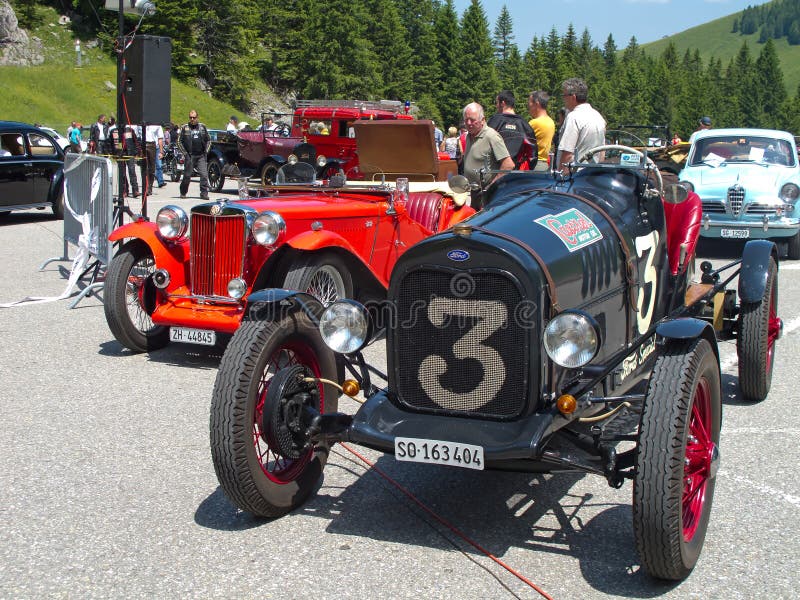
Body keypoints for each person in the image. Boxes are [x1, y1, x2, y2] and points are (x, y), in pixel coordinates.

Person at [462, 102, 514, 209]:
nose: (468, 123)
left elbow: (508, 165)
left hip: (487, 195)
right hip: (474, 192)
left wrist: (491, 187)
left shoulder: (491, 136)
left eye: (472, 119)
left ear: (483, 120)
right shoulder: (469, 136)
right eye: (466, 120)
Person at [557, 77, 606, 171]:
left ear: (573, 97)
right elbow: (602, 152)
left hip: (574, 177)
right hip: (591, 175)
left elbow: (567, 153)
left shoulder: (573, 117)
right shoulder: (598, 116)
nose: (563, 98)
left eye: (564, 95)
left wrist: (561, 177)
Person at [487, 90, 537, 168]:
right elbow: (533, 155)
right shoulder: (524, 124)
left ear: (502, 103)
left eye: (496, 103)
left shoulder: (494, 121)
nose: (496, 106)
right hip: (516, 174)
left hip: (495, 172)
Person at [178, 110, 211, 200]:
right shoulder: (185, 127)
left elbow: (209, 140)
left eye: (194, 117)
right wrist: (185, 153)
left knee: (204, 175)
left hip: (201, 155)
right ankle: (183, 192)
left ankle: (204, 193)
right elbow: (179, 141)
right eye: (190, 117)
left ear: (197, 117)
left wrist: (206, 151)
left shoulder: (202, 127)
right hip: (190, 155)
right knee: (187, 176)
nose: (192, 119)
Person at [527, 91, 555, 172]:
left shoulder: (534, 123)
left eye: (530, 104)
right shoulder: (551, 122)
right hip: (545, 164)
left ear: (537, 104)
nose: (528, 107)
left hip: (534, 165)